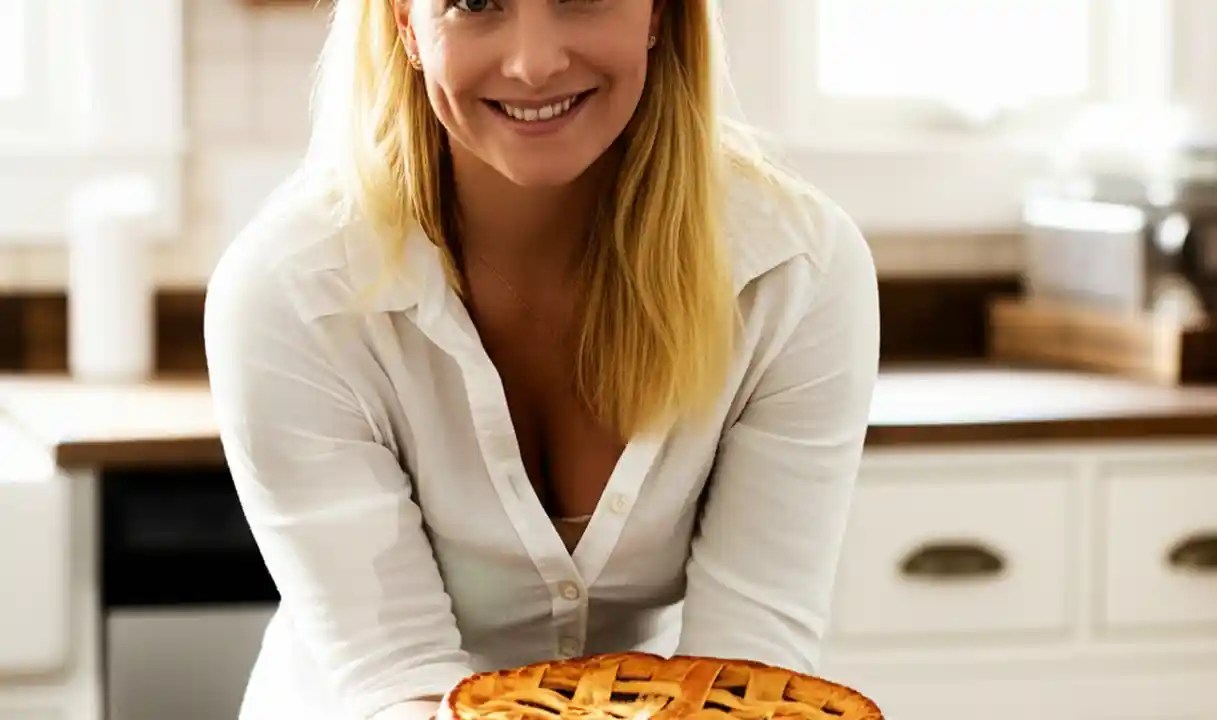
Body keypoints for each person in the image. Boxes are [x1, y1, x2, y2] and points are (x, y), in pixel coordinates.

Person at [204, 0, 880, 718]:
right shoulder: (291, 291)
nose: (534, 62)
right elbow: (396, 684)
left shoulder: (791, 273)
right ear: (406, 22)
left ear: (659, 14)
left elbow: (749, 678)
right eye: (473, 2)